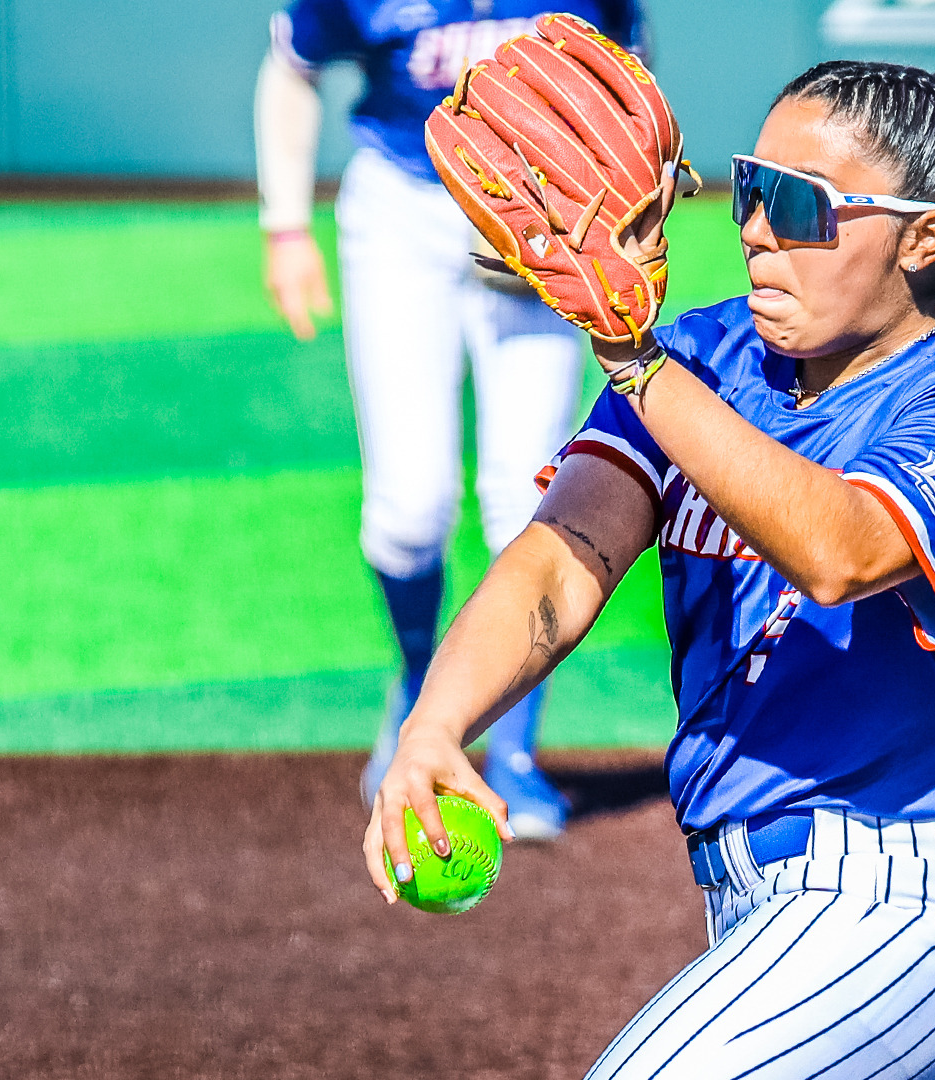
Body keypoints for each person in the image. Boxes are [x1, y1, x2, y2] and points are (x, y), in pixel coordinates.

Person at [365, 58, 935, 1077]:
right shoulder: (703, 359)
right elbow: (560, 563)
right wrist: (435, 725)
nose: (757, 230)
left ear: (921, 238)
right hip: (749, 913)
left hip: (893, 906)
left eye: (800, 204)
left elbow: (842, 551)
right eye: (750, 189)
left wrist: (637, 365)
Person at [253, 0, 643, 836]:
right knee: (408, 510)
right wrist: (284, 226)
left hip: (541, 213)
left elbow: (627, 76)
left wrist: (606, 212)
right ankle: (421, 682)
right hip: (404, 207)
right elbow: (293, 67)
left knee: (533, 503)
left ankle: (516, 755)